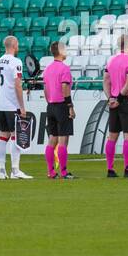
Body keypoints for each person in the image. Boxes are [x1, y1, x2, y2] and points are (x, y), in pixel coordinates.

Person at [0, 36, 31, 180]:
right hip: (12, 104)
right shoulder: (16, 62)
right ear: (14, 45)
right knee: (16, 135)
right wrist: (22, 106)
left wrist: (1, 97)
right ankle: (15, 170)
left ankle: (1, 171)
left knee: (3, 137)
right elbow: (17, 85)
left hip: (1, 103)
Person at [103, 33, 128, 178]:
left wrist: (110, 98)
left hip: (113, 102)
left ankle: (110, 169)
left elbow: (105, 81)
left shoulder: (111, 61)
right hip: (126, 100)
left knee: (112, 136)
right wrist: (118, 98)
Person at [42, 40, 76, 180]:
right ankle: (63, 171)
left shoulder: (47, 69)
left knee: (52, 140)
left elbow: (45, 89)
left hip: (50, 106)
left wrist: (50, 102)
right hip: (62, 106)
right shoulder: (64, 69)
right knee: (63, 141)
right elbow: (65, 87)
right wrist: (70, 106)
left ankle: (51, 171)